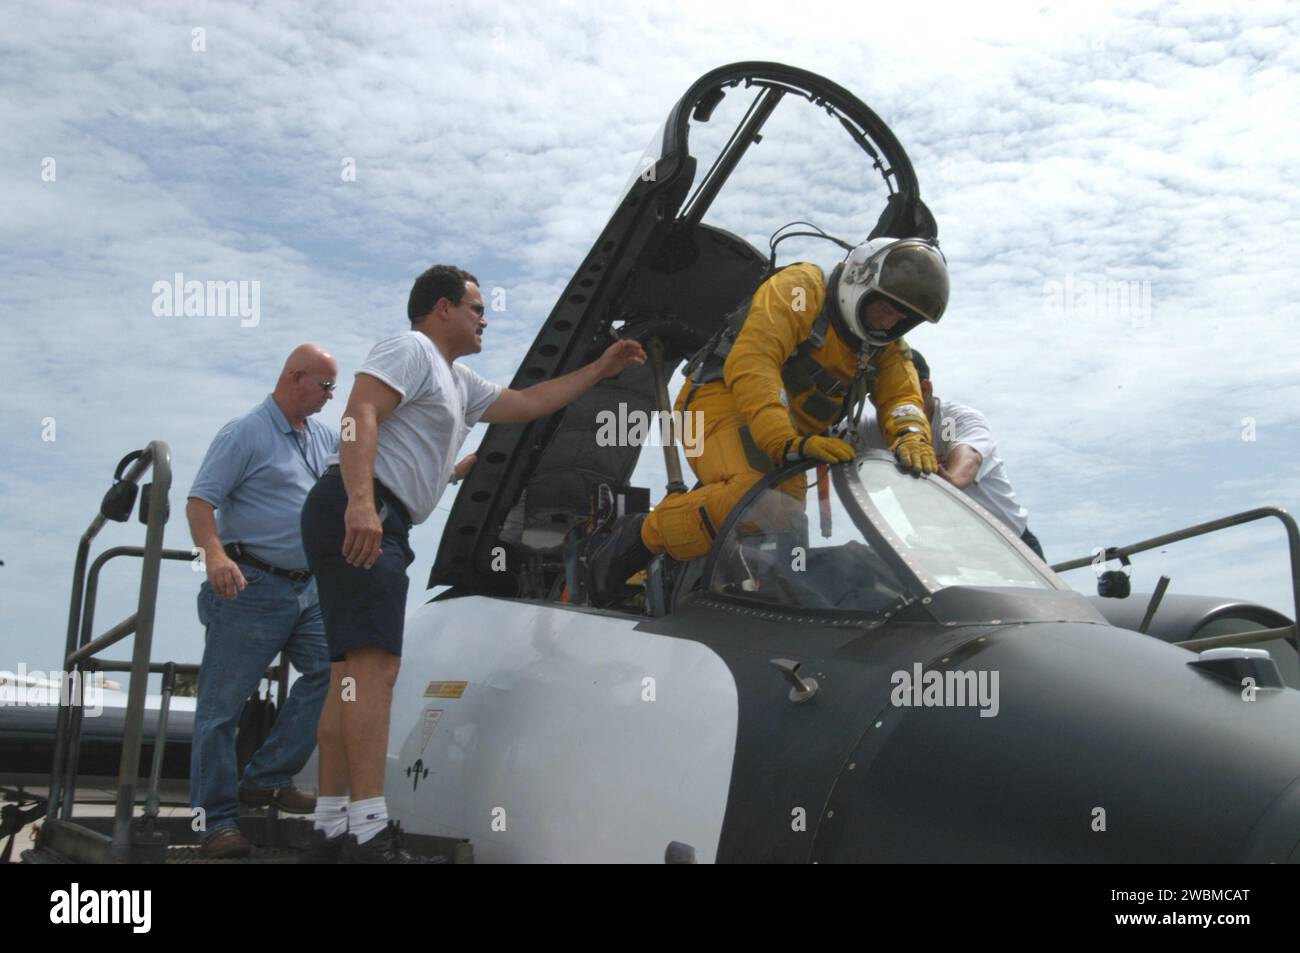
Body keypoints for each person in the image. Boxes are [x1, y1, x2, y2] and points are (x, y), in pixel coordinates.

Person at [301, 264, 645, 864]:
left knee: (350, 675)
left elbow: (531, 402)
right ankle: (369, 832)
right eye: (476, 308)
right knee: (375, 670)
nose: (485, 318)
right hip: (361, 506)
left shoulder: (458, 381)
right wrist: (361, 502)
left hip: (373, 510)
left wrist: (600, 368)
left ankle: (330, 827)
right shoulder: (411, 349)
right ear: (442, 309)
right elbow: (358, 415)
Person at [582, 236, 950, 605]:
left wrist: (912, 437)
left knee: (784, 524)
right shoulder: (801, 290)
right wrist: (780, 439)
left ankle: (738, 595)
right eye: (884, 307)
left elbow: (901, 396)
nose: (889, 321)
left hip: (788, 434)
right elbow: (755, 358)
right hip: (715, 402)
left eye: (903, 318)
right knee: (755, 500)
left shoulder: (884, 344)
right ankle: (632, 540)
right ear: (858, 281)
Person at [186, 344, 340, 858]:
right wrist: (213, 555)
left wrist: (450, 469)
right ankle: (216, 823)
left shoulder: (319, 436)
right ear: (295, 378)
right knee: (220, 710)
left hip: (309, 587)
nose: (330, 396)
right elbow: (199, 501)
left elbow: (367, 473)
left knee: (333, 672)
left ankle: (266, 776)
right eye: (324, 386)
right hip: (251, 584)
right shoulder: (244, 433)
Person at [857, 349, 1045, 559]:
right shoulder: (870, 430)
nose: (885, 402)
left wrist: (951, 479)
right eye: (877, 395)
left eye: (895, 392)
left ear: (925, 388)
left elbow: (968, 460)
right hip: (947, 555)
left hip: (1012, 551)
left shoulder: (953, 421)